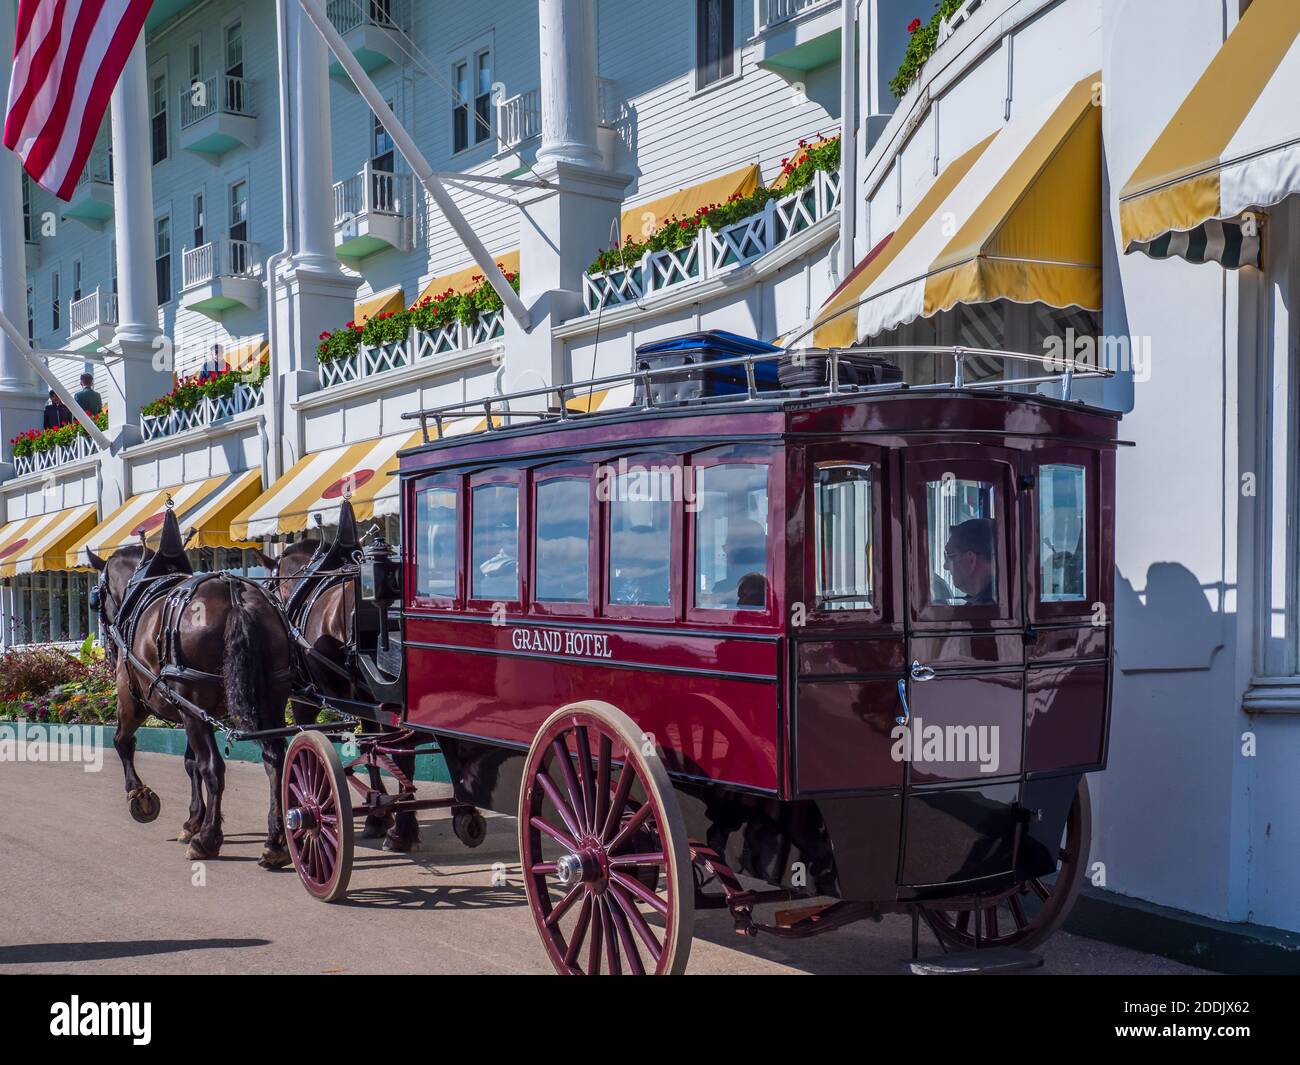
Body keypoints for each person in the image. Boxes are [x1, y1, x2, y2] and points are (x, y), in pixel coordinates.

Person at [943, 517, 997, 605]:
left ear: (971, 560)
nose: (945, 567)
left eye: (949, 556)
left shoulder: (988, 611)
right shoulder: (1001, 599)